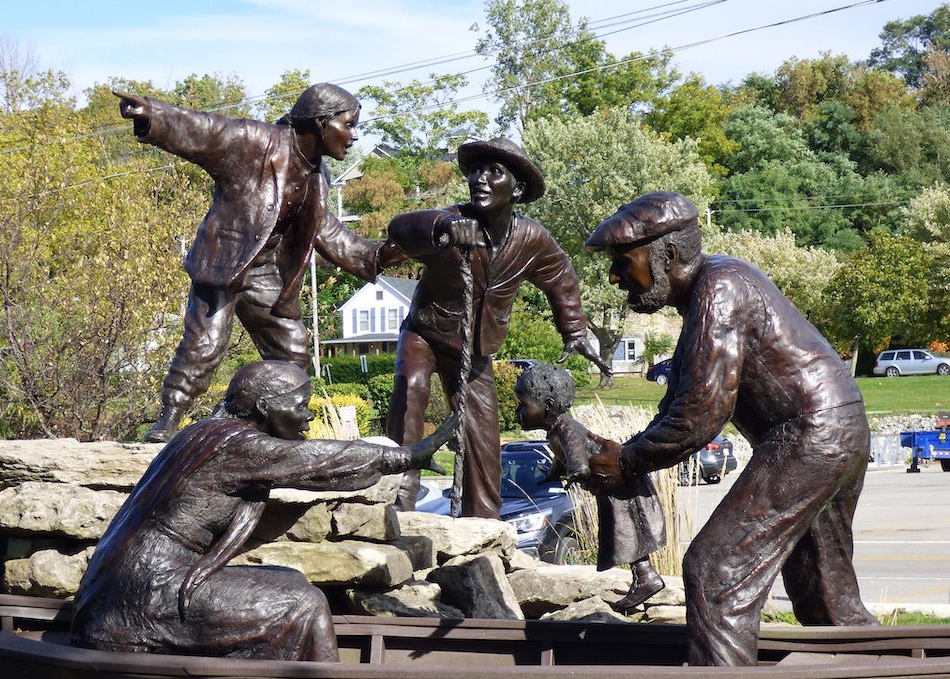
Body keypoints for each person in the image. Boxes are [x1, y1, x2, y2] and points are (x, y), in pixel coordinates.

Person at [578, 191, 878, 666]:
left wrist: (631, 460)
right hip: (834, 430)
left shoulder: (721, 288)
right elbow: (680, 401)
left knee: (717, 568)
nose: (614, 277)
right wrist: (625, 453)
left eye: (623, 261)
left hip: (810, 434)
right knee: (825, 591)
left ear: (669, 254)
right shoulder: (708, 293)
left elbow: (701, 411)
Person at [71, 360, 457, 662]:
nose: (309, 415)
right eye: (300, 406)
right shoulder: (236, 445)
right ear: (264, 406)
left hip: (130, 583)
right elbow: (321, 461)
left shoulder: (206, 432)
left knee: (291, 580)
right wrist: (408, 455)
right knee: (302, 604)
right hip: (144, 593)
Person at [115, 83, 402, 441]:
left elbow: (331, 236)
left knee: (293, 350)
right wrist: (154, 115)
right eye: (349, 124)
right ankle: (168, 421)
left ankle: (239, 419)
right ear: (321, 122)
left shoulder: (318, 177)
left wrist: (388, 253)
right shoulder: (256, 141)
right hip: (224, 262)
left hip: (265, 274)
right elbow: (206, 129)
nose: (354, 135)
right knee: (205, 344)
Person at [384, 137, 605, 519]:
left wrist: (575, 332)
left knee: (484, 434)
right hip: (426, 331)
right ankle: (397, 500)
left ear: (516, 189)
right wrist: (444, 226)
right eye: (475, 171)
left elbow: (560, 277)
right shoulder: (452, 221)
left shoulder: (532, 239)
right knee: (412, 390)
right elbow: (401, 228)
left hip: (475, 350)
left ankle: (483, 521)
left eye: (494, 172)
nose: (480, 179)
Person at [514, 363, 666, 610]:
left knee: (627, 532)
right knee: (623, 534)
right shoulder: (556, 432)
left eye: (524, 404)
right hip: (609, 485)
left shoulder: (566, 429)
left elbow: (578, 462)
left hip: (617, 483)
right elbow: (561, 460)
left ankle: (646, 578)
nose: (518, 411)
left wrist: (575, 475)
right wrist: (552, 476)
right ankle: (644, 577)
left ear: (549, 406)